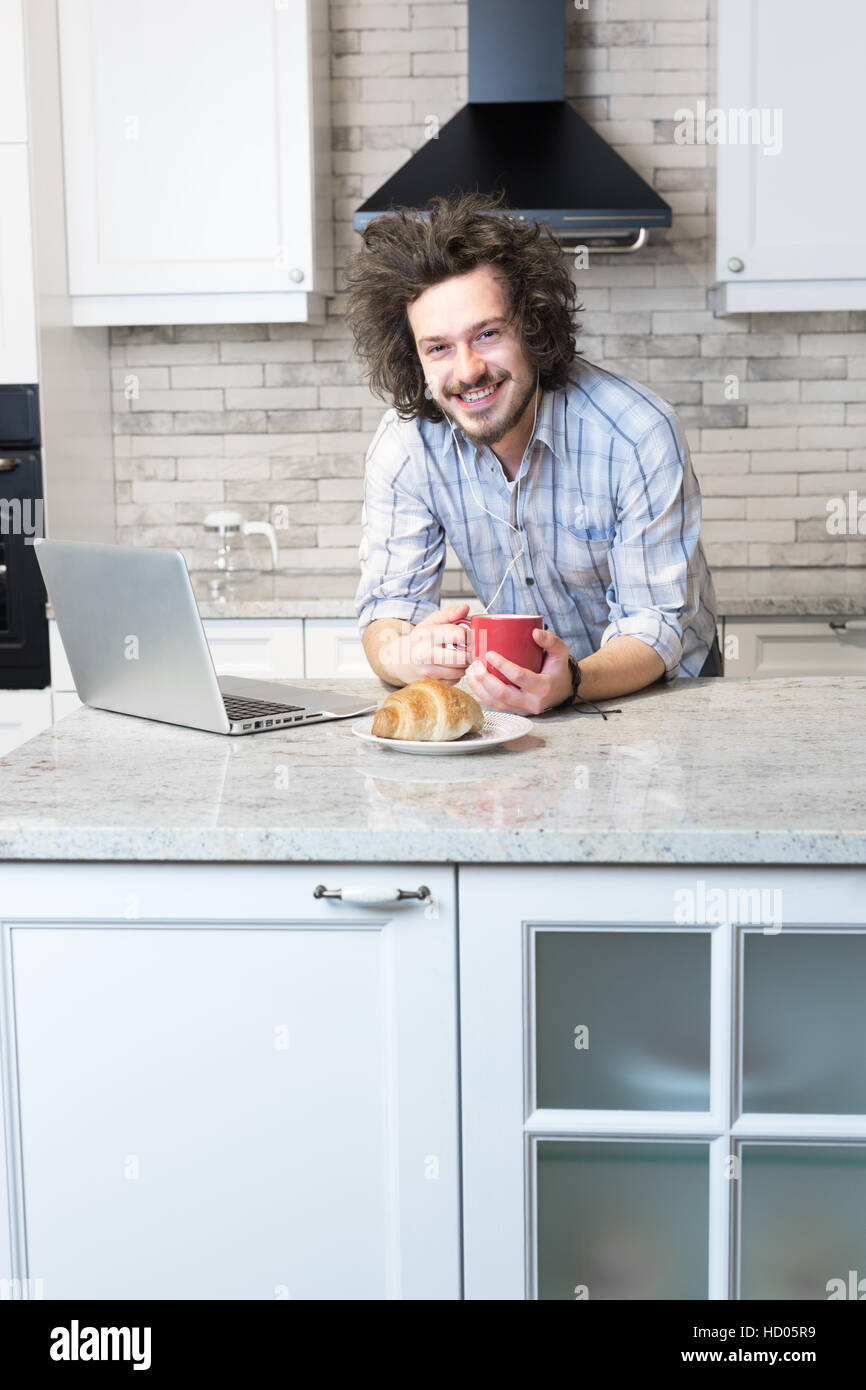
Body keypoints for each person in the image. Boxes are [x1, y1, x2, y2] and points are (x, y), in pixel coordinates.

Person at [346, 192, 721, 716]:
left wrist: (571, 680)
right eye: (439, 348)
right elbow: (388, 611)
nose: (469, 369)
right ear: (416, 359)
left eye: (488, 334)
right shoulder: (406, 448)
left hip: (664, 695)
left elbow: (654, 625)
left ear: (532, 326)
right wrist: (404, 656)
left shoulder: (635, 433)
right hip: (525, 706)